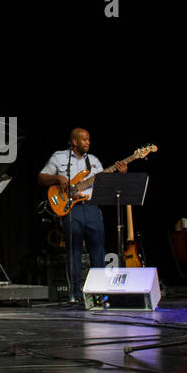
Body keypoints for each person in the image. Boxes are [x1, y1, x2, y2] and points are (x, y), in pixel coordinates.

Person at [37, 129, 126, 303]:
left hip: (92, 207)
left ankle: (100, 292)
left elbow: (106, 185)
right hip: (72, 209)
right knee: (74, 250)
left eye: (89, 139)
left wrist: (120, 174)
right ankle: (75, 294)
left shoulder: (93, 161)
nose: (88, 142)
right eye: (84, 140)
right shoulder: (59, 157)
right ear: (75, 141)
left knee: (98, 250)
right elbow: (41, 178)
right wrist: (58, 178)